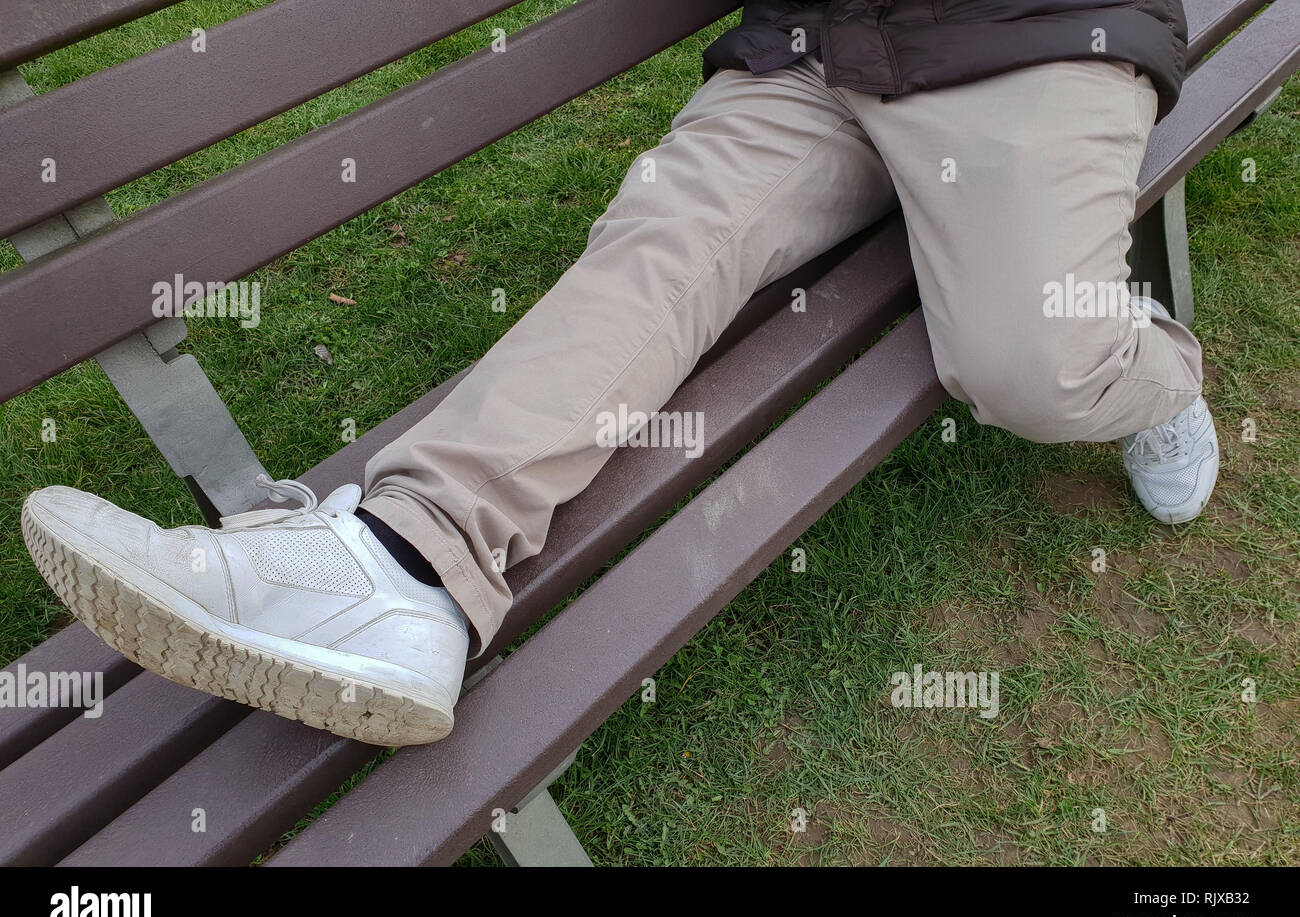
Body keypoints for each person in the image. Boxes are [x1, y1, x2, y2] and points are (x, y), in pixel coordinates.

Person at [21, 0, 1218, 747]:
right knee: (658, 245)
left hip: (1031, 37)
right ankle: (402, 566)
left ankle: (1150, 369)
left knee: (1036, 369)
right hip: (811, 55)